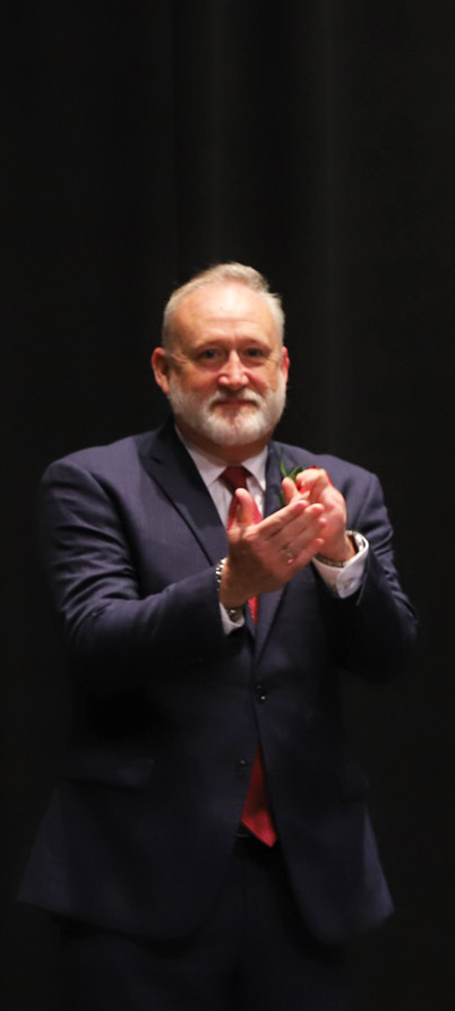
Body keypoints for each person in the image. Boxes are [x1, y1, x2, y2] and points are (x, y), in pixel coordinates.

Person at [22, 263, 418, 1009]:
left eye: (253, 354)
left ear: (283, 366)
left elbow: (389, 656)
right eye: (209, 355)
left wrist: (340, 558)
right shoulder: (92, 482)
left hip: (304, 883)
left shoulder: (343, 489)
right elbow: (95, 643)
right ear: (163, 370)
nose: (235, 375)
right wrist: (228, 589)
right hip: (137, 881)